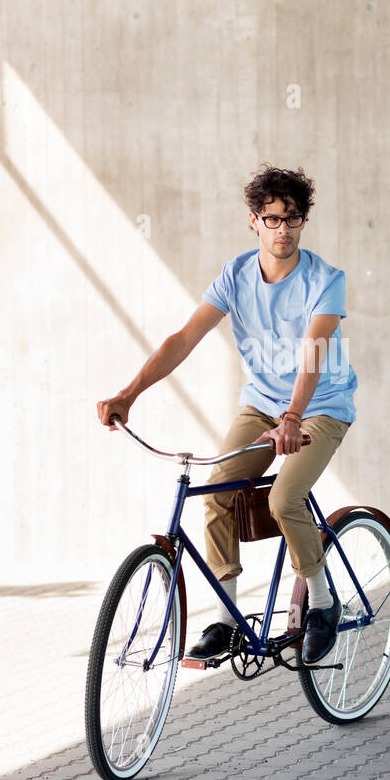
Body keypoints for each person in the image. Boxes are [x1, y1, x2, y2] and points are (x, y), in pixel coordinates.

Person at [96, 163, 357, 663]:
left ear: (304, 221)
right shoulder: (235, 277)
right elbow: (183, 340)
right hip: (262, 408)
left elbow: (314, 352)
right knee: (217, 492)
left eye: (293, 219)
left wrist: (294, 417)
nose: (283, 230)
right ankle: (226, 620)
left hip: (319, 408)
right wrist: (130, 393)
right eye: (272, 218)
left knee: (284, 500)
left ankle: (323, 603)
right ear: (253, 221)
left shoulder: (325, 281)